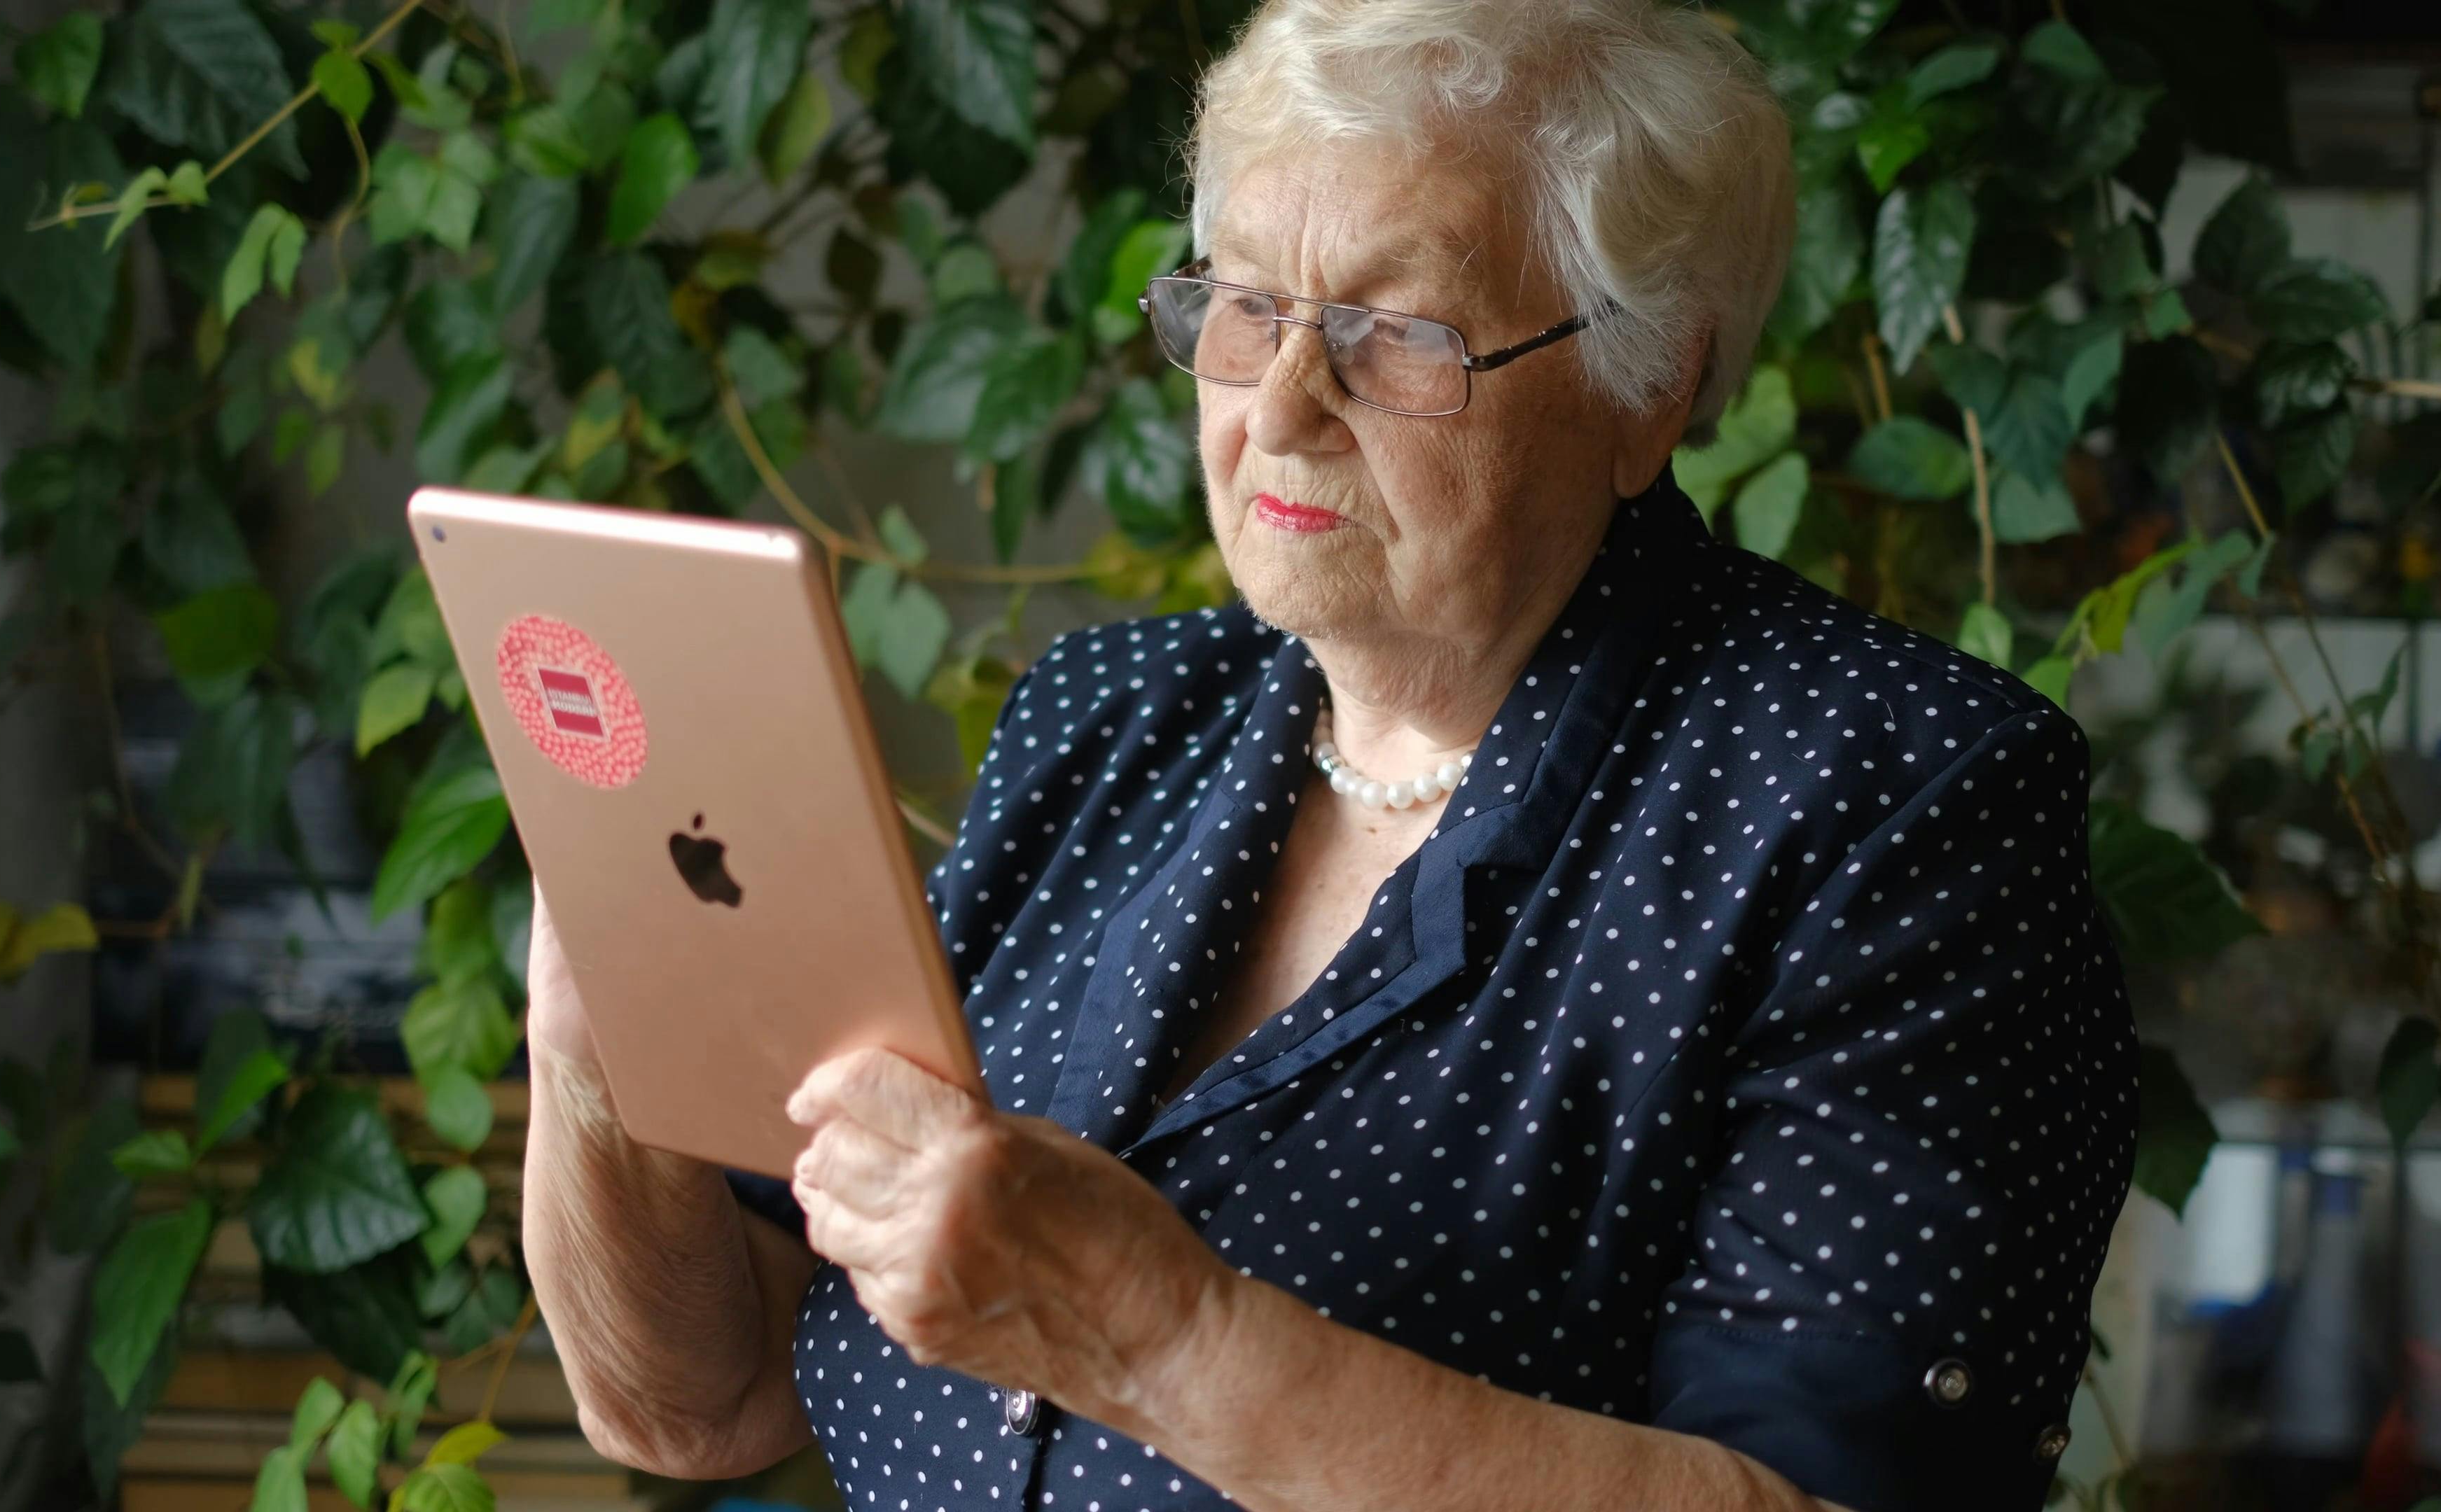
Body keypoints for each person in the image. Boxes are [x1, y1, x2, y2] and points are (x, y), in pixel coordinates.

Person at [521, 1, 2139, 1508]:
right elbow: (707, 1403)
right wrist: (595, 1069)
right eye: (1244, 305)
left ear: (1651, 383)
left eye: (1399, 329)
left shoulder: (1893, 809)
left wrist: (1158, 1335)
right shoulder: (1105, 720)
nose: (1282, 405)